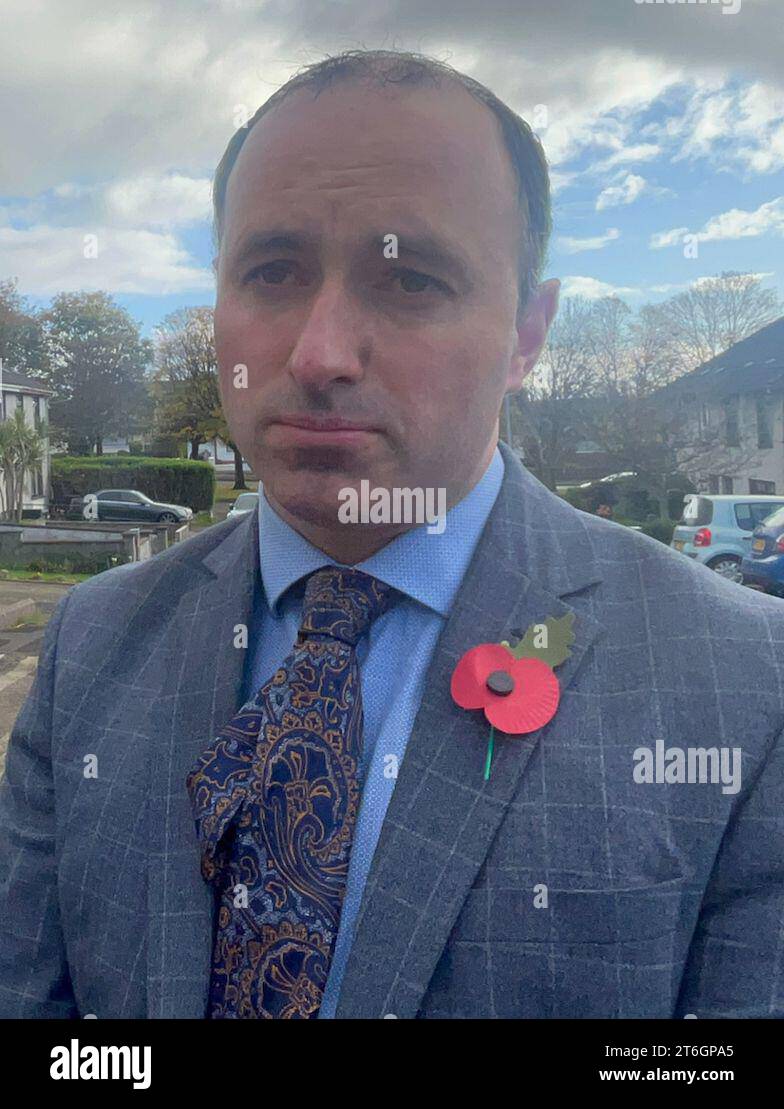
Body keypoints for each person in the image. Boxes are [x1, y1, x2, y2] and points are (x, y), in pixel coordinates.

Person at [1, 48, 783, 1020]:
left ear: (527, 335)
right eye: (272, 270)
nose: (319, 352)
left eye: (410, 279)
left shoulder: (744, 687)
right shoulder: (92, 643)